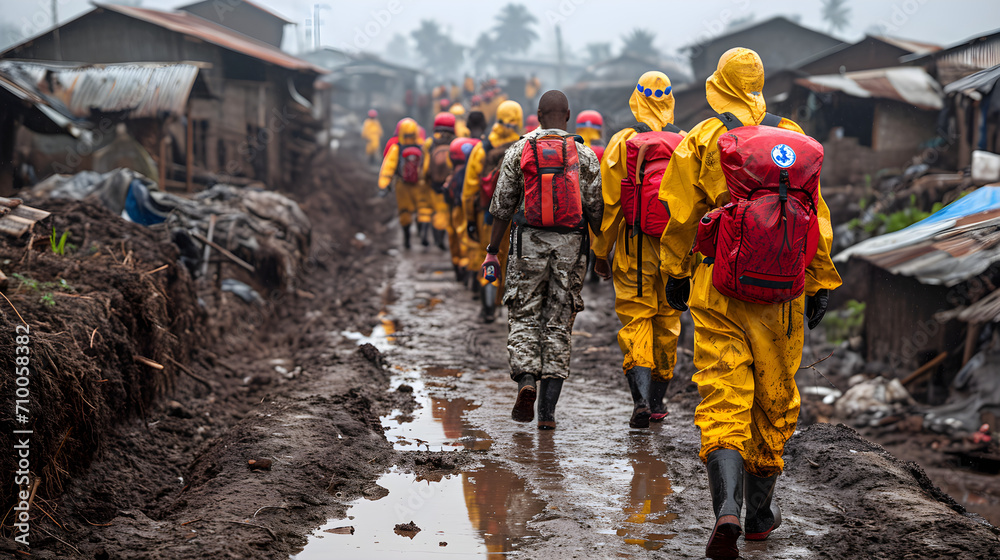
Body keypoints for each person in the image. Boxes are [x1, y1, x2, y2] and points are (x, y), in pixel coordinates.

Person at [657, 48, 842, 559]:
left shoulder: (701, 139)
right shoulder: (795, 141)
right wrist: (820, 281)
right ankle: (760, 515)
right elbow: (816, 219)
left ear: (718, 84)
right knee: (774, 398)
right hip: (782, 294)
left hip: (718, 287)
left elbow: (680, 216)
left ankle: (727, 511)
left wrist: (675, 273)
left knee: (722, 392)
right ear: (760, 87)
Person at [481, 90, 603, 430]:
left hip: (526, 246)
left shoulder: (519, 151)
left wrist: (492, 250)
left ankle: (526, 383)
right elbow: (596, 209)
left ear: (536, 115)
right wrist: (600, 254)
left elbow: (502, 206)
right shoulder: (584, 155)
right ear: (568, 114)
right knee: (559, 321)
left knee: (524, 314)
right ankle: (548, 413)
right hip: (571, 247)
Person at [593, 71, 685, 429]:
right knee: (668, 323)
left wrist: (601, 252)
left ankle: (641, 400)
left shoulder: (624, 141)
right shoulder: (686, 140)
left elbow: (610, 203)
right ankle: (659, 403)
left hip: (634, 246)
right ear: (670, 99)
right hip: (675, 248)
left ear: (638, 99)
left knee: (636, 320)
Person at [463, 100, 523, 322]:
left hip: (487, 216)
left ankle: (488, 305)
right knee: (510, 261)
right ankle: (504, 305)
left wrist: (469, 219)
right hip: (516, 218)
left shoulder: (483, 147)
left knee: (488, 255)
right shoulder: (524, 145)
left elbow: (469, 189)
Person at [378, 118, 425, 249]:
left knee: (404, 211)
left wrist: (384, 185)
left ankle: (407, 239)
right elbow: (427, 167)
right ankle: (422, 234)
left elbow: (388, 167)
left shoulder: (396, 148)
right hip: (419, 184)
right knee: (421, 209)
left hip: (402, 185)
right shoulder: (422, 147)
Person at [443, 136, 480, 282]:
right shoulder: (475, 170)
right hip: (474, 209)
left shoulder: (454, 175)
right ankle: (475, 270)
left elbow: (447, 194)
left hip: (457, 209)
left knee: (456, 237)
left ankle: (460, 264)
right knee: (474, 241)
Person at [422, 112, 459, 252]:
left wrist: (425, 180)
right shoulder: (456, 141)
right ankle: (443, 238)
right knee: (446, 211)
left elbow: (425, 166)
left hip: (434, 183)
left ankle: (437, 237)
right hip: (450, 184)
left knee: (436, 211)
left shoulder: (430, 143)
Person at [461, 111, 489, 289]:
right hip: (508, 214)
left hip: (482, 209)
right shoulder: (516, 145)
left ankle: (479, 284)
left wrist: (469, 216)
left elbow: (469, 188)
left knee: (480, 249)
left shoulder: (476, 149)